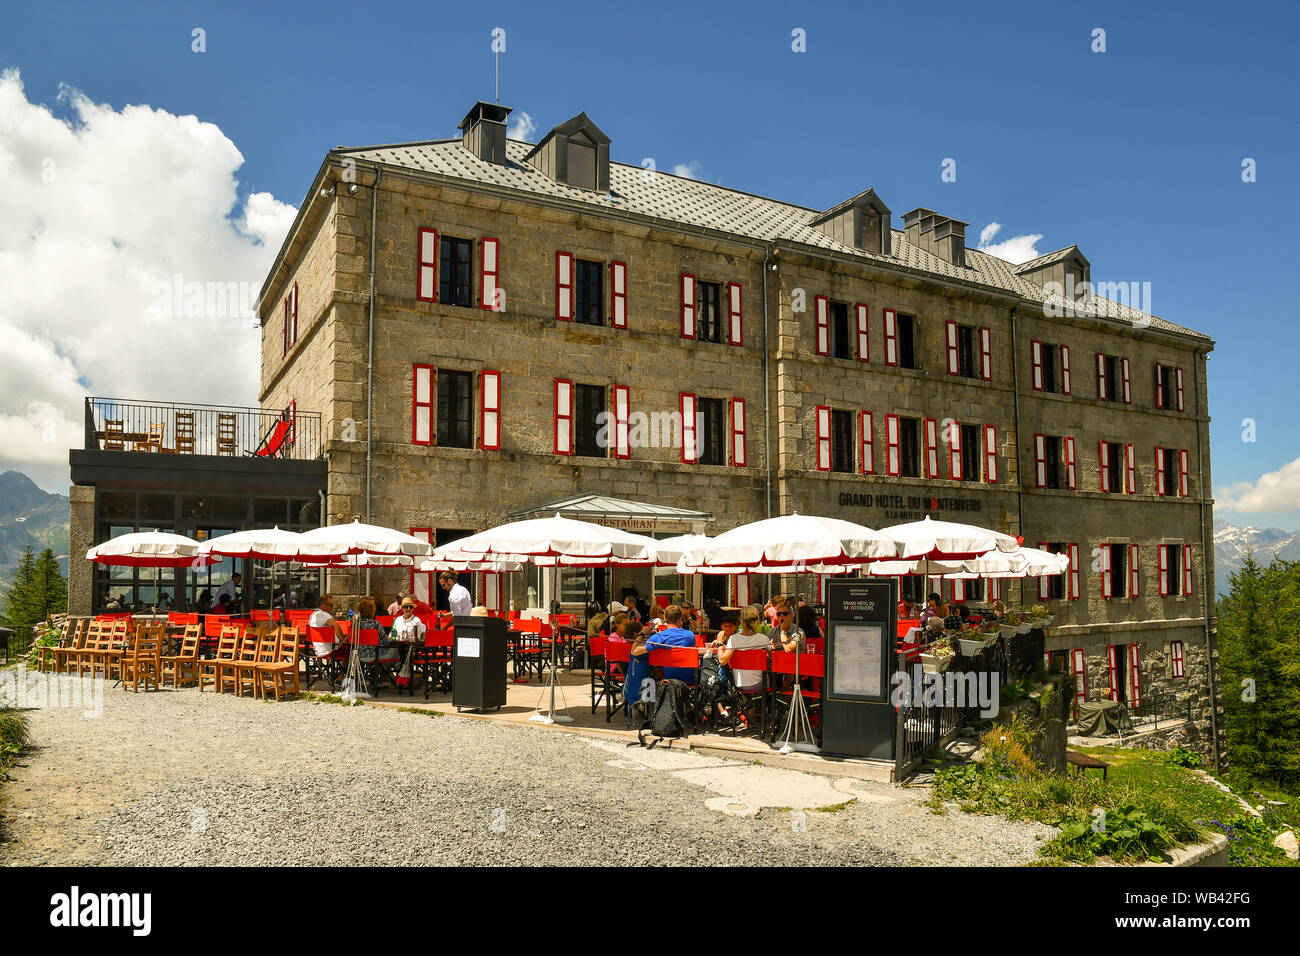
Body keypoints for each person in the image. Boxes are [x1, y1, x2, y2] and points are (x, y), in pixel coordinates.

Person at [644, 605, 703, 685]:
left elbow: (643, 649)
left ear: (665, 619)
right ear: (680, 619)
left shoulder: (660, 637)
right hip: (690, 681)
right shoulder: (690, 635)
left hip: (669, 681)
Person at [717, 606, 769, 693]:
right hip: (759, 684)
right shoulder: (763, 639)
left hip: (739, 684)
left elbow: (722, 661)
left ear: (741, 621)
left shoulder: (734, 639)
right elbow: (773, 658)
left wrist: (719, 643)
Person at [354, 597, 398, 665]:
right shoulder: (375, 624)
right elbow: (386, 643)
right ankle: (387, 673)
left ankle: (383, 673)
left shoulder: (356, 625)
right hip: (376, 654)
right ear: (372, 611)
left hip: (360, 655)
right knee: (398, 652)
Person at [308, 594, 348, 660]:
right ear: (323, 605)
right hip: (331, 651)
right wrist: (342, 640)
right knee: (351, 649)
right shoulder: (324, 615)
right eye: (331, 605)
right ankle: (344, 668)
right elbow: (336, 626)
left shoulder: (313, 615)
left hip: (318, 651)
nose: (332, 608)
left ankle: (342, 668)